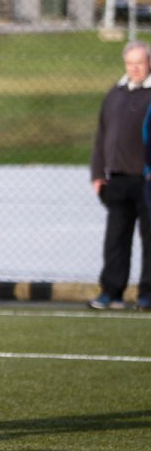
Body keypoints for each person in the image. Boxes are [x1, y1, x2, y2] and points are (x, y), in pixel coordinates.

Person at [92, 40, 151, 310]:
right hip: (117, 178)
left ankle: (147, 294)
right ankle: (111, 292)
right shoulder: (115, 93)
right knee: (115, 239)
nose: (135, 68)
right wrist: (97, 173)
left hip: (146, 179)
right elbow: (102, 135)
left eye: (139, 63)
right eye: (130, 63)